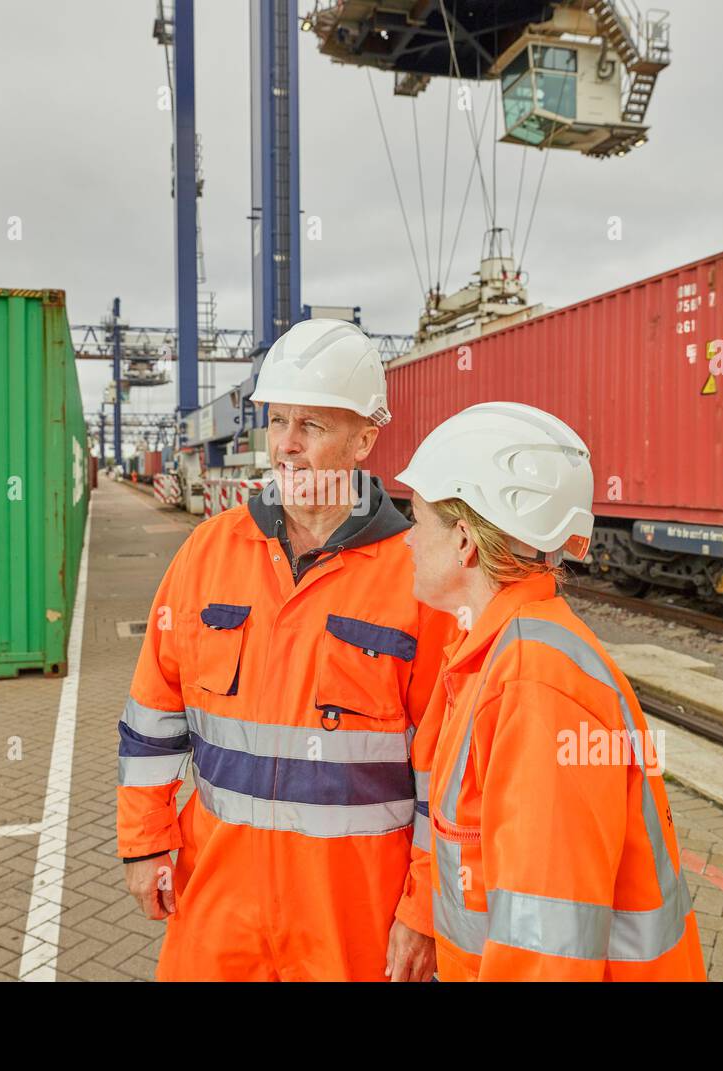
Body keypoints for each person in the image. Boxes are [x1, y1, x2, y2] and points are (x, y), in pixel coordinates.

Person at [117, 318, 457, 981]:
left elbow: (445, 772)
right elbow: (153, 716)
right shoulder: (208, 552)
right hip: (216, 908)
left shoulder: (419, 577)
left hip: (351, 920)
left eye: (313, 426)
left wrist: (426, 906)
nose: (287, 446)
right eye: (278, 423)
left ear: (365, 439)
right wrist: (144, 841)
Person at [397, 401, 706, 981]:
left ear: (464, 540)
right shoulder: (501, 657)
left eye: (416, 520)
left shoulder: (535, 688)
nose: (407, 542)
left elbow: (547, 949)